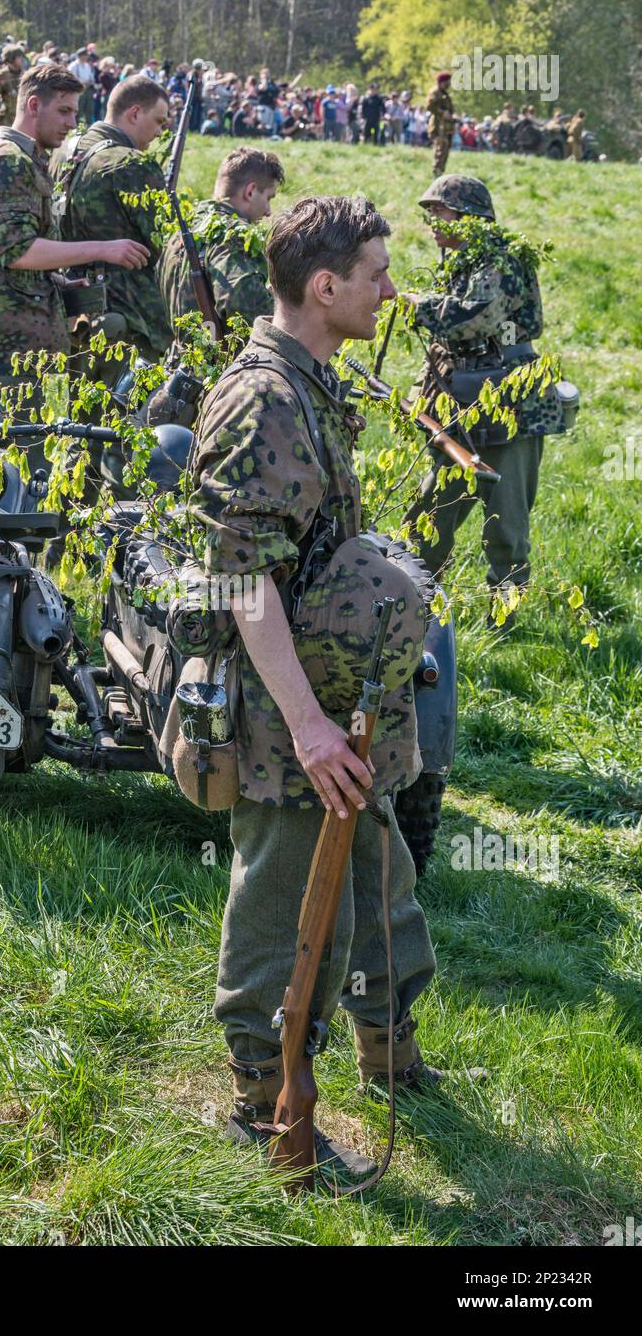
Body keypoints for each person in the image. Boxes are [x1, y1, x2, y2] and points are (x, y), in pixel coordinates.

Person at [186, 195, 447, 1186]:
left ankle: (391, 1048)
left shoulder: (314, 379)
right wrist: (305, 729)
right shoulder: (262, 400)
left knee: (382, 881)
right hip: (288, 708)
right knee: (285, 901)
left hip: (345, 701)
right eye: (378, 271)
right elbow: (240, 576)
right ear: (325, 286)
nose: (392, 288)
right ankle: (264, 1100)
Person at [0, 62, 150, 418]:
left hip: (12, 337)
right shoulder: (9, 162)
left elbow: (5, 250)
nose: (73, 123)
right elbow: (17, 250)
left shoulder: (26, 159)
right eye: (64, 111)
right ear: (33, 106)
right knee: (12, 460)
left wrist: (55, 279)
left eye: (74, 112)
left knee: (18, 456)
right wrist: (105, 249)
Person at [401, 175, 560, 616]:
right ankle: (411, 610)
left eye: (441, 212)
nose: (432, 222)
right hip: (461, 400)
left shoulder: (502, 258)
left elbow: (474, 319)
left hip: (510, 402)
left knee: (505, 526)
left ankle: (502, 618)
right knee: (429, 515)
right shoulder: (461, 261)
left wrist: (418, 306)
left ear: (471, 218)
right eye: (430, 212)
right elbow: (447, 345)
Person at [52, 72, 172, 375]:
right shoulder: (132, 163)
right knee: (128, 413)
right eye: (158, 121)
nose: (160, 133)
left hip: (74, 301)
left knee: (81, 411)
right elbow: (167, 246)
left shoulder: (62, 152)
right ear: (134, 113)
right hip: (129, 314)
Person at [157, 147, 284, 370]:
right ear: (251, 191)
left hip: (178, 370)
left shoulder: (179, 233)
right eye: (268, 198)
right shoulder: (232, 236)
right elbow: (244, 305)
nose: (268, 211)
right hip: (219, 376)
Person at [0, 45, 25, 131]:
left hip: (23, 119)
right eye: (19, 57)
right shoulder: (2, 75)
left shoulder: (25, 75)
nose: (22, 59)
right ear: (11, 59)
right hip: (7, 120)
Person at [425, 70, 455, 176]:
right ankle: (436, 172)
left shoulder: (444, 93)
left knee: (445, 150)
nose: (449, 84)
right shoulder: (435, 92)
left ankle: (440, 172)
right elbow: (429, 106)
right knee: (440, 150)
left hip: (446, 127)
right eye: (447, 81)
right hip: (438, 126)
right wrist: (442, 113)